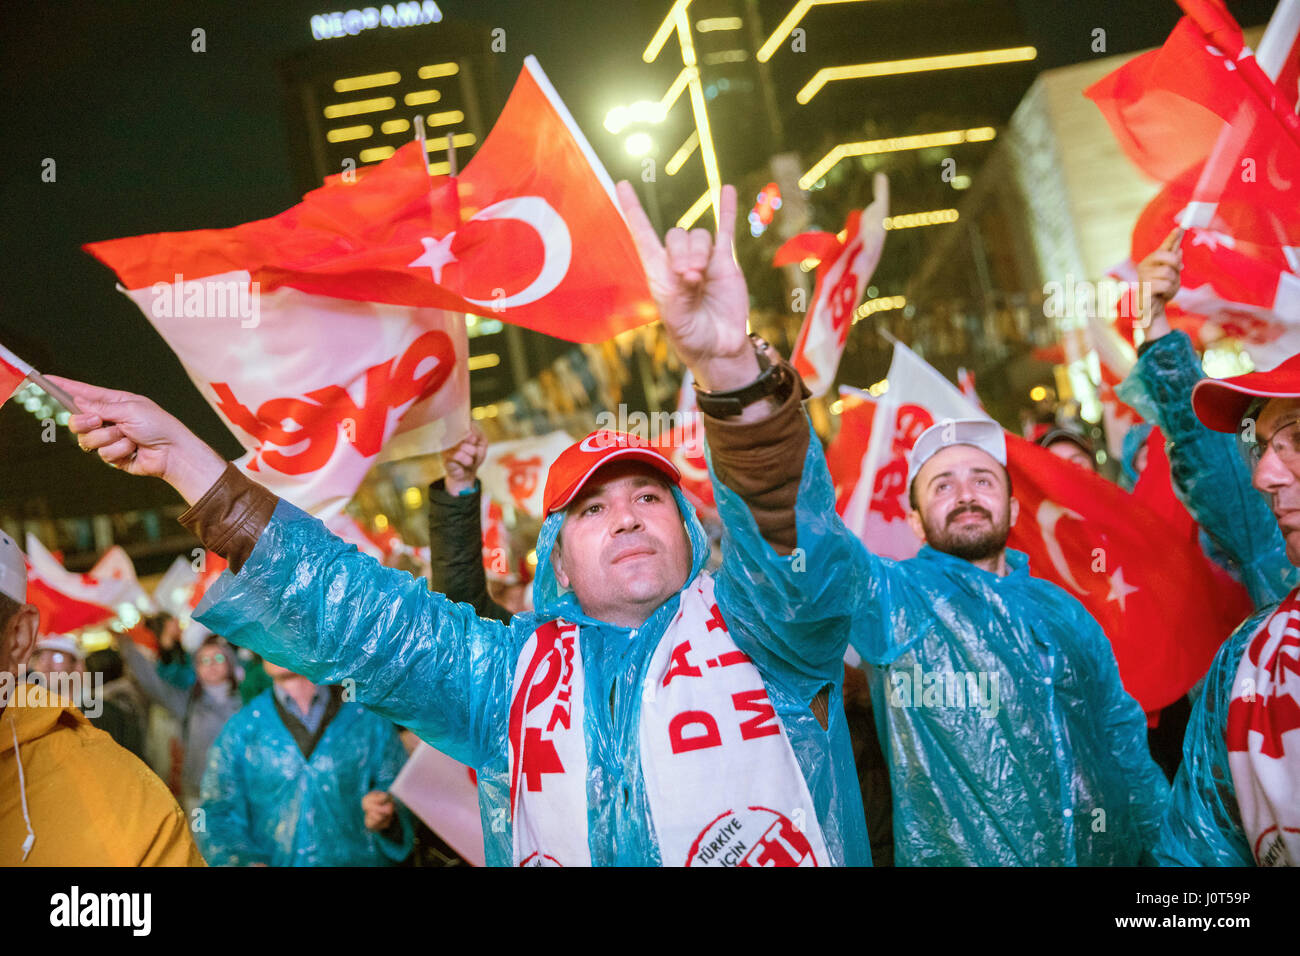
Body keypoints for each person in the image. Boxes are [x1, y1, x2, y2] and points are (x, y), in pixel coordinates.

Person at [58, 182, 869, 867]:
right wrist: (194, 469)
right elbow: (355, 615)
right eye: (592, 506)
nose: (625, 513)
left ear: (693, 533)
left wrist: (730, 374)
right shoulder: (506, 681)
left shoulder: (769, 632)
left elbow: (788, 532)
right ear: (558, 559)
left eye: (650, 497)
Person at [1116, 230, 1300, 866]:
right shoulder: (1253, 669)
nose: (1265, 476)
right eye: (1262, 447)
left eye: (1296, 439)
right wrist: (1154, 325)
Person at [0, 530, 204, 865]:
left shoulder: (126, 788)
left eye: (58, 657)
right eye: (45, 656)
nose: (50, 666)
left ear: (19, 640)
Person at [198, 660, 413, 866]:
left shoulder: (366, 718)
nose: (273, 639)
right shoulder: (241, 729)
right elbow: (217, 813)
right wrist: (242, 861)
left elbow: (401, 792)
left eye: (287, 627)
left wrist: (387, 816)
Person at [118, 629, 242, 814]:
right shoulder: (187, 703)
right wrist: (126, 645)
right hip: (199, 798)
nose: (211, 665)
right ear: (196, 668)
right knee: (200, 841)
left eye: (218, 659)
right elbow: (152, 681)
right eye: (204, 661)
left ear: (231, 664)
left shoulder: (247, 702)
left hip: (239, 796)